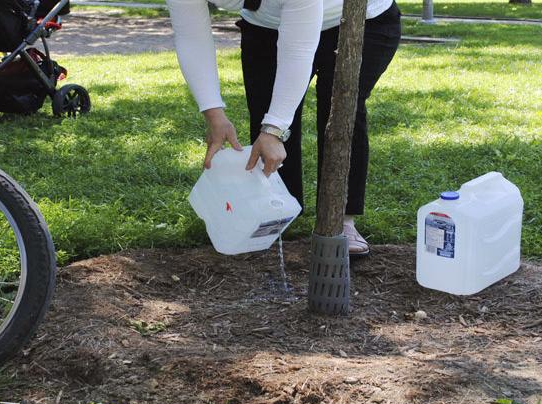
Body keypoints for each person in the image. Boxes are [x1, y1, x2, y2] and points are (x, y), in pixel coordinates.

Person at [168, 0, 401, 257]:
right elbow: (191, 37)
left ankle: (341, 221)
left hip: (359, 21)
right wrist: (214, 115)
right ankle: (278, 213)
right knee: (266, 118)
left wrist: (275, 129)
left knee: (341, 112)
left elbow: (299, 48)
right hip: (267, 27)